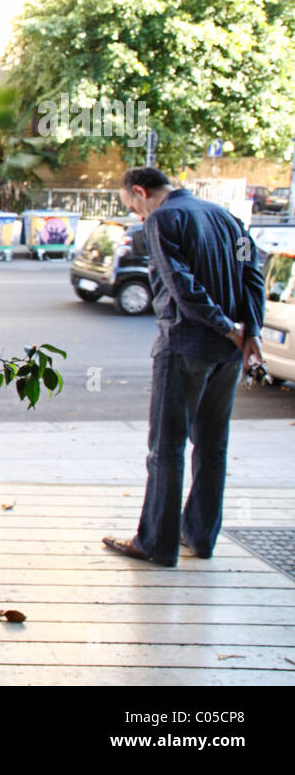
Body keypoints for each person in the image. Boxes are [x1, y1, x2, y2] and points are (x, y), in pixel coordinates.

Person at [103, 167, 265, 566]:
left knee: (167, 448)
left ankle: (156, 543)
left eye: (133, 207)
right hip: (228, 356)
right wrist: (251, 330)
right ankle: (200, 538)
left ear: (140, 192)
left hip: (184, 347)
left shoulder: (162, 219)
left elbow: (180, 284)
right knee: (212, 447)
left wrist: (226, 327)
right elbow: (252, 273)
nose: (138, 217)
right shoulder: (226, 218)